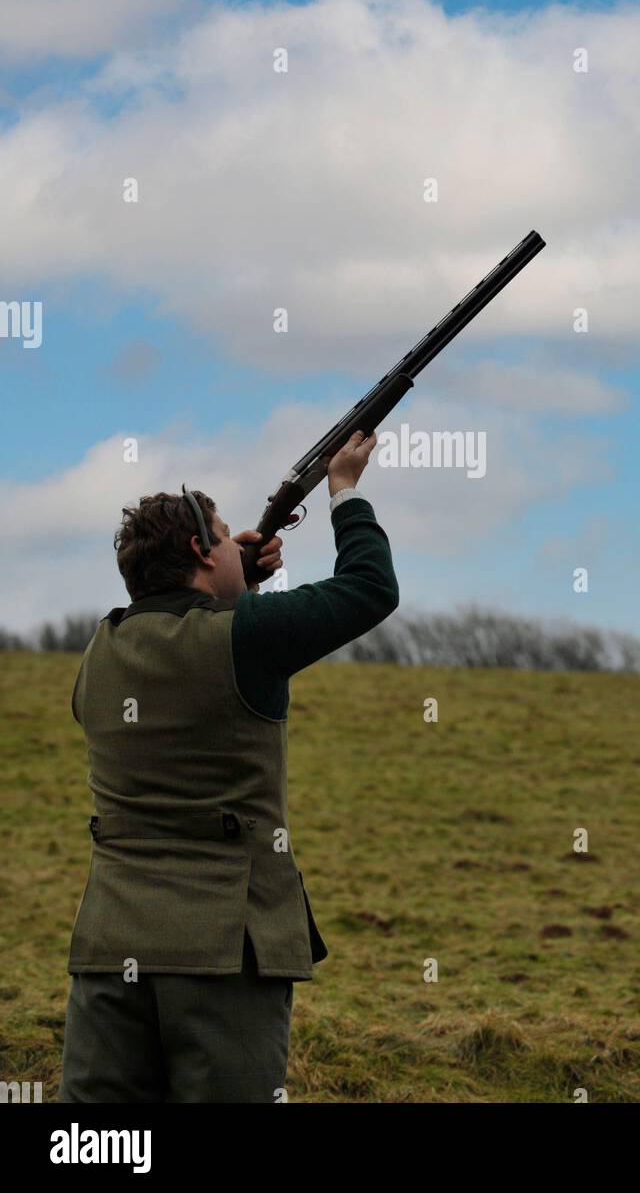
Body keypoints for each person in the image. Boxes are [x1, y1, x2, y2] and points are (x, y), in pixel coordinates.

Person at [57, 429, 398, 1103]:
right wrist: (345, 492)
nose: (231, 541)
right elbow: (369, 588)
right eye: (218, 536)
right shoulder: (243, 637)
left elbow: (189, 639)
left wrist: (236, 582)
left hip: (108, 949)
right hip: (220, 952)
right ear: (197, 551)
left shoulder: (103, 647)